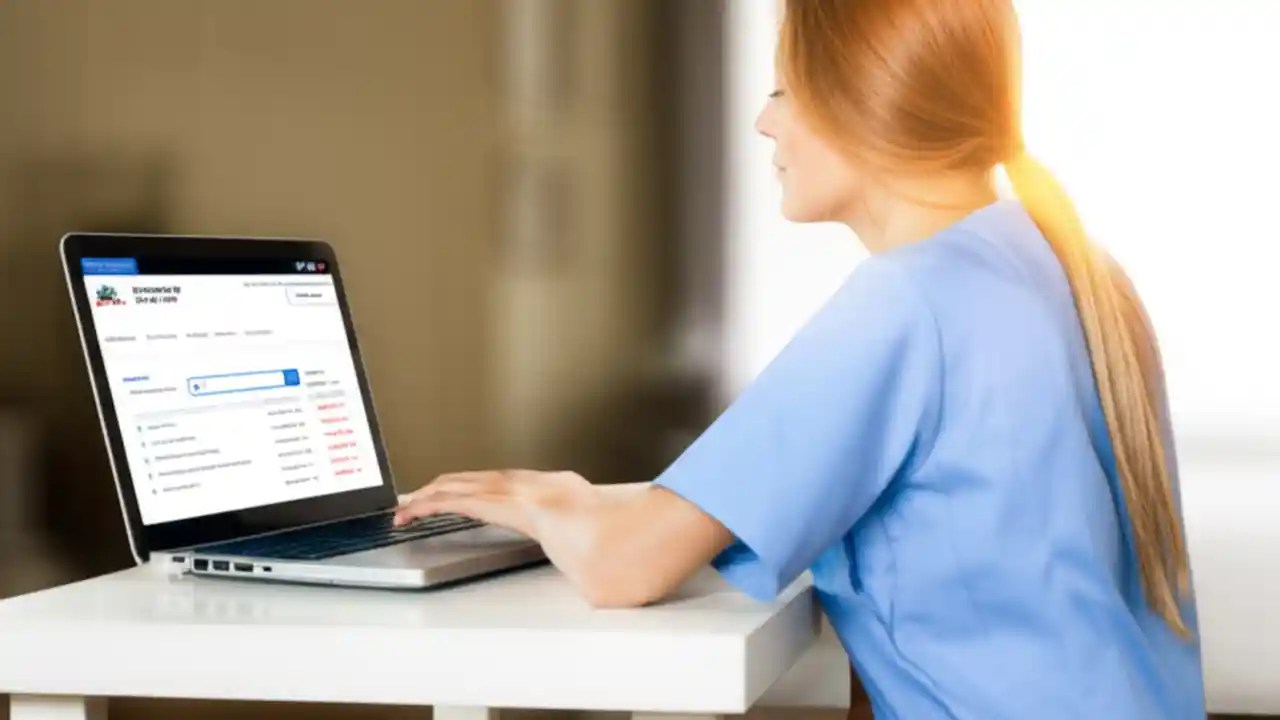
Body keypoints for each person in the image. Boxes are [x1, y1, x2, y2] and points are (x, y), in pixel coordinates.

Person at [395, 0, 1206, 716]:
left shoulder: (907, 304)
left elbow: (623, 566)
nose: (763, 123)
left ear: (863, 98)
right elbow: (801, 492)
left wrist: (550, 505)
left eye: (782, 88)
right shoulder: (1067, 266)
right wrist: (591, 497)